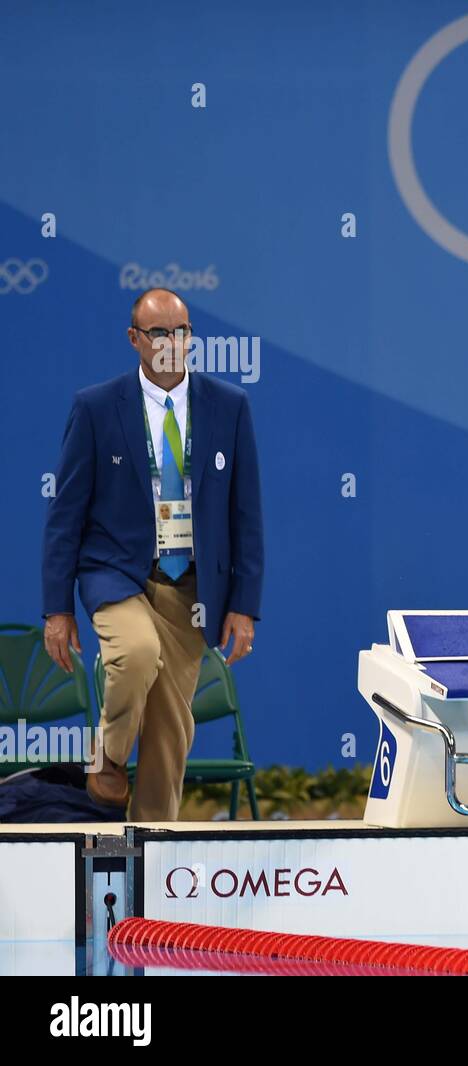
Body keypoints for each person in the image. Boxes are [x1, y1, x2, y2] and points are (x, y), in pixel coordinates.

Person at [41, 288, 264, 820]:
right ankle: (110, 756)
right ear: (135, 339)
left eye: (180, 331)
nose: (171, 342)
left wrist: (244, 604)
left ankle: (153, 853)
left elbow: (246, 514)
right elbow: (65, 514)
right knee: (136, 653)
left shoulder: (229, 406)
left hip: (191, 589)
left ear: (192, 338)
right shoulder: (96, 407)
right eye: (159, 332)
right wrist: (57, 609)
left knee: (169, 731)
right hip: (115, 573)